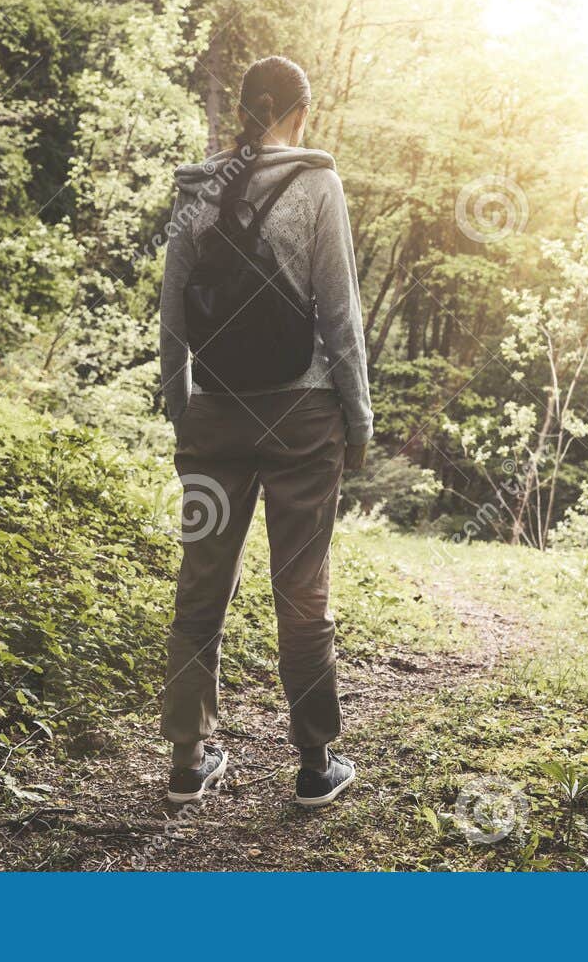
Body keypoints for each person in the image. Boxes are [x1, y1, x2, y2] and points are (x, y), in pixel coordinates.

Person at [157, 55, 372, 809]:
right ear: (300, 115)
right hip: (302, 416)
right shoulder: (318, 184)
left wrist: (182, 402)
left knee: (200, 582)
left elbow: (174, 311)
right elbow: (339, 313)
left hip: (213, 410)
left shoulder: (195, 189)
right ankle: (315, 763)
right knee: (302, 588)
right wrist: (359, 415)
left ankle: (188, 758)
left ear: (242, 115)